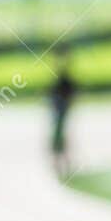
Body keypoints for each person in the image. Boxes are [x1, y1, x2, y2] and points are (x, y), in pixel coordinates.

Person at [49, 48, 77, 179]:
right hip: (60, 111)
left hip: (61, 111)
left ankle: (62, 162)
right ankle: (62, 162)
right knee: (59, 136)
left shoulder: (64, 80)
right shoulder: (61, 80)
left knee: (59, 136)